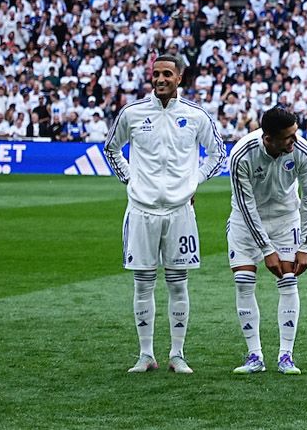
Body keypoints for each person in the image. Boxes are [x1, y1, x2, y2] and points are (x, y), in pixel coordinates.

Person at [106, 53, 226, 375]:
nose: (160, 79)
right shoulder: (132, 113)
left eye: (167, 75)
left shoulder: (196, 116)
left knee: (177, 283)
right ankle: (146, 354)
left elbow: (218, 154)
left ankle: (177, 353)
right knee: (142, 283)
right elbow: (111, 148)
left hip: (179, 211)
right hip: (141, 211)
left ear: (179, 78)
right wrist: (131, 178)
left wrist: (193, 182)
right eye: (156, 74)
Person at [226, 106, 307, 375]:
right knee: (243, 282)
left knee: (288, 280)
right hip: (245, 221)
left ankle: (286, 356)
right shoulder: (241, 154)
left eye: (295, 133)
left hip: (285, 219)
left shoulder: (302, 150)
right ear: (269, 138)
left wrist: (306, 245)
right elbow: (246, 206)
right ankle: (254, 355)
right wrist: (266, 249)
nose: (295, 140)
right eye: (288, 137)